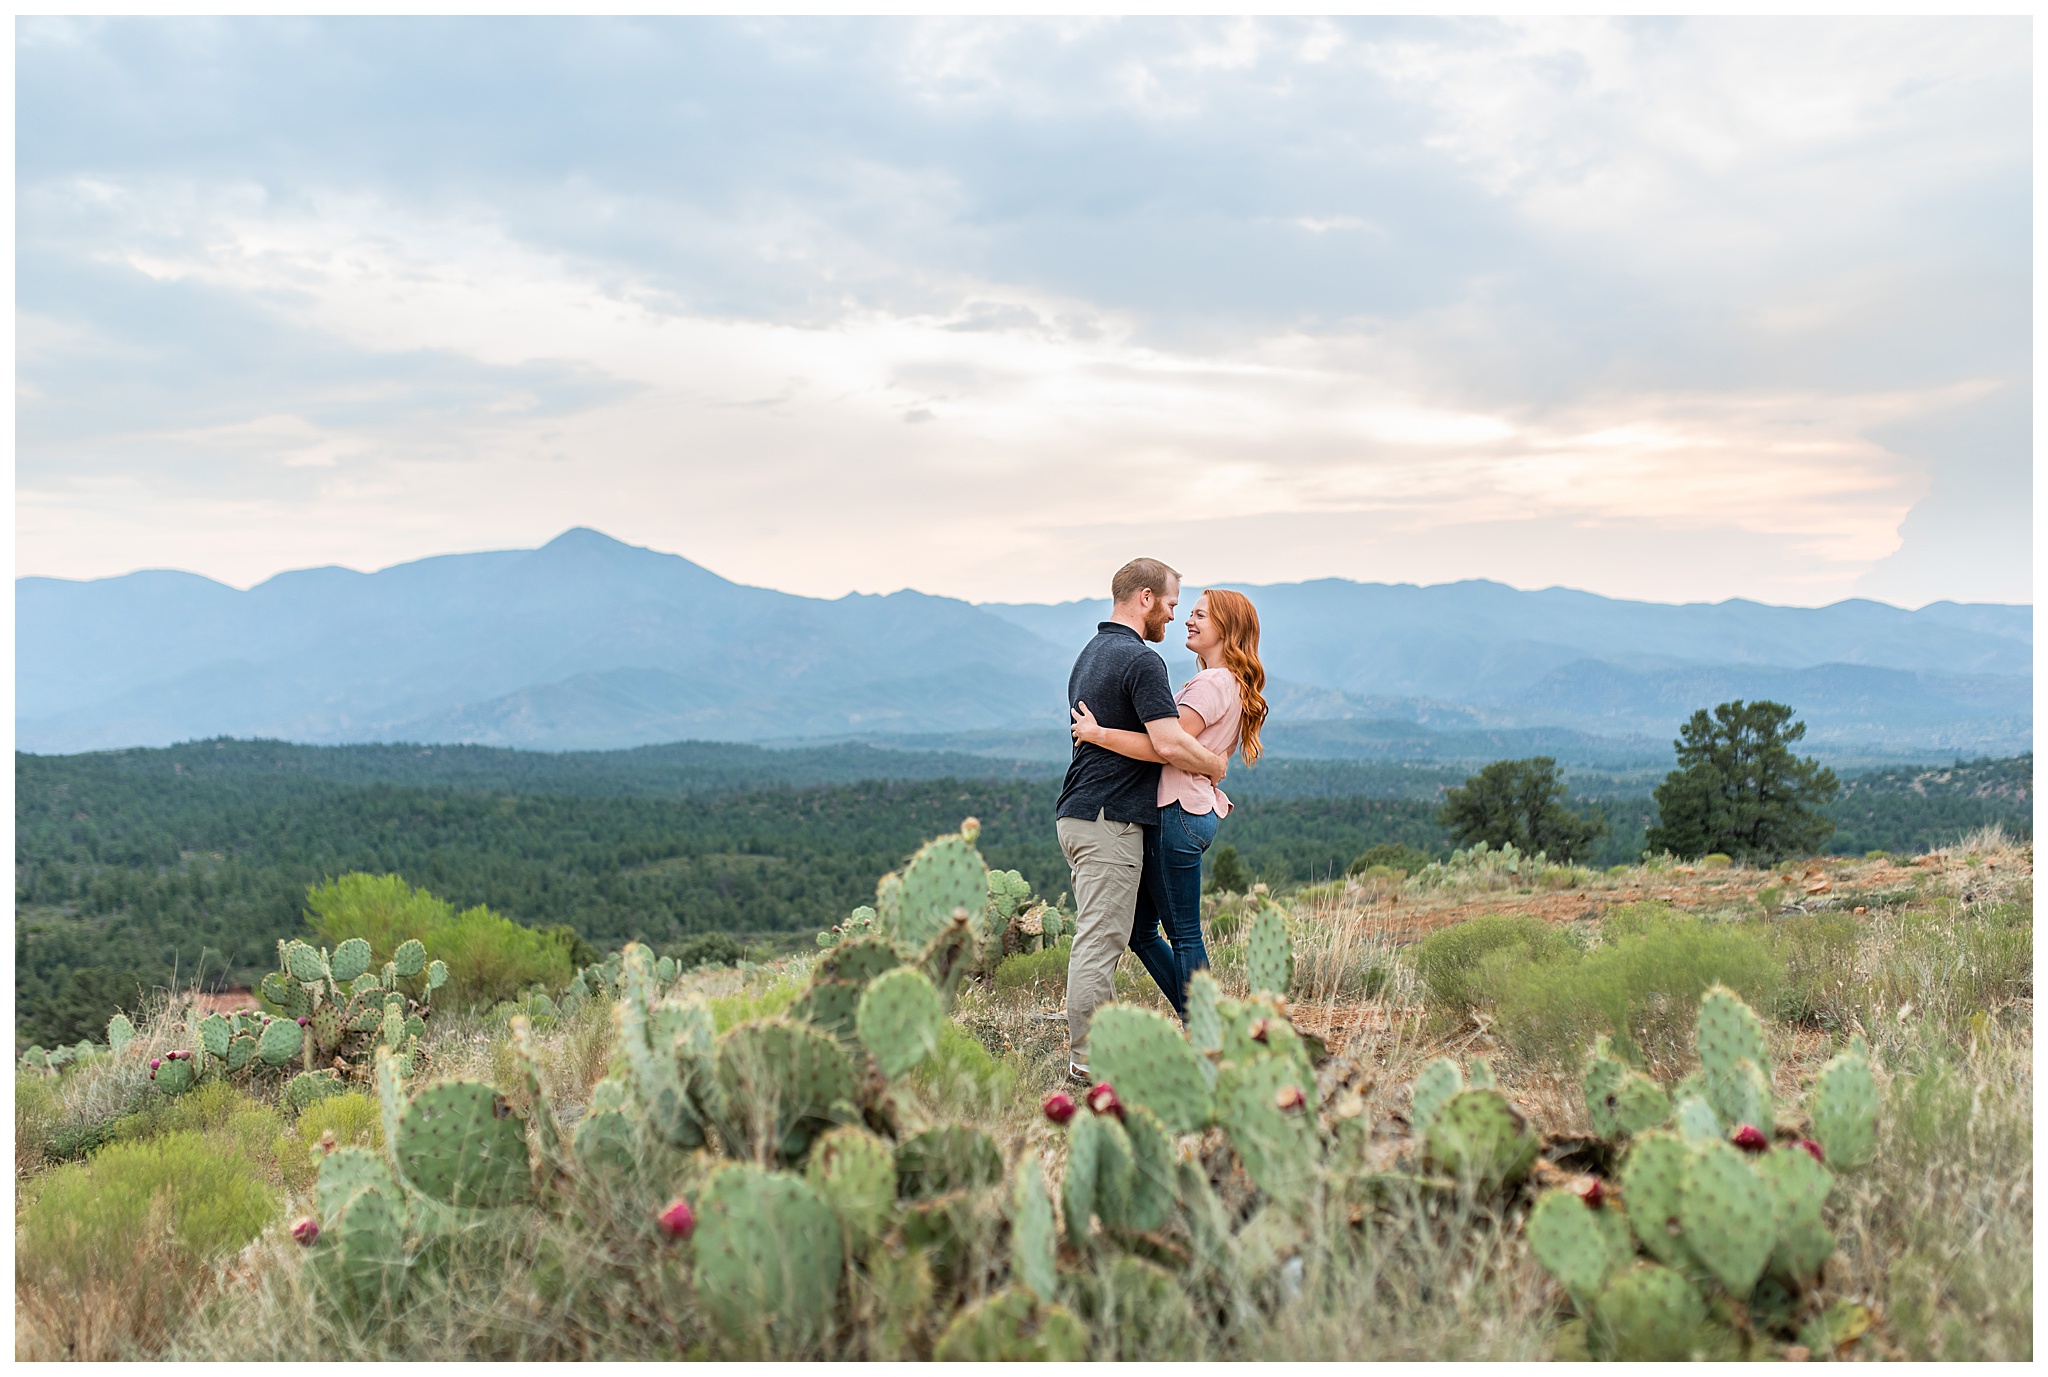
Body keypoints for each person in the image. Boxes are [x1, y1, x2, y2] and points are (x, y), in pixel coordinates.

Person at [1055, 558, 1230, 1082]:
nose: (1174, 618)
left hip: (1081, 811)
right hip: (1109, 816)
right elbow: (1171, 741)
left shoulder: (1090, 654)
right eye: (1173, 605)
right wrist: (1216, 764)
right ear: (1147, 598)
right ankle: (1089, 1062)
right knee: (1100, 940)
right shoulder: (1141, 659)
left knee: (1118, 932)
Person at [1072, 588, 1266, 1022]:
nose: (1188, 621)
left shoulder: (1213, 681)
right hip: (1189, 811)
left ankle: (1207, 1026)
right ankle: (1200, 1018)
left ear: (1227, 628)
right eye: (1189, 613)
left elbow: (1167, 747)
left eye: (1200, 615)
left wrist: (1098, 733)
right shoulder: (1225, 681)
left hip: (1178, 811)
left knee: (1183, 934)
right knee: (1141, 931)